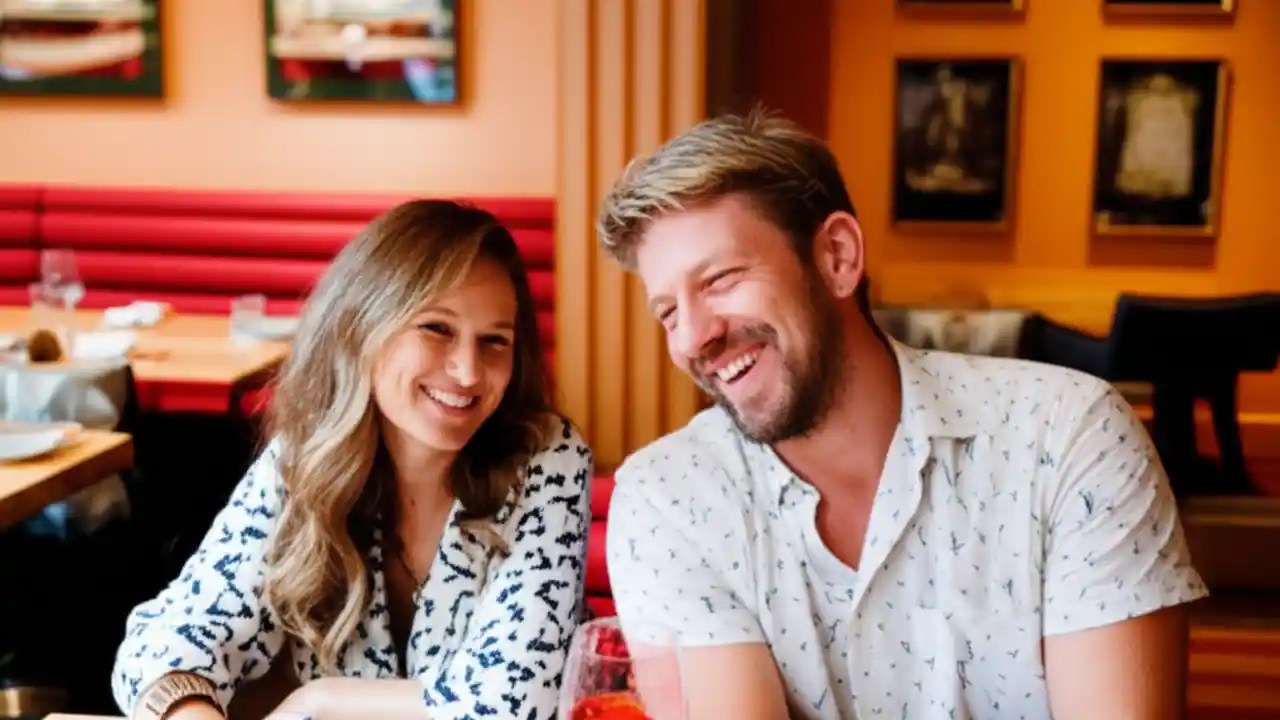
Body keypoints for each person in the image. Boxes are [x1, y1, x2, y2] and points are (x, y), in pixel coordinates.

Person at [597, 110, 1207, 719]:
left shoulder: (1071, 435)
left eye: (721, 279)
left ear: (837, 256)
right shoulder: (668, 498)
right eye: (668, 312)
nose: (692, 338)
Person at [112, 200, 593, 720]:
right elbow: (164, 644)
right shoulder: (306, 456)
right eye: (437, 328)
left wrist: (320, 700)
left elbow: (510, 703)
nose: (468, 370)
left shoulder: (549, 460)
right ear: (364, 326)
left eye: (494, 341)